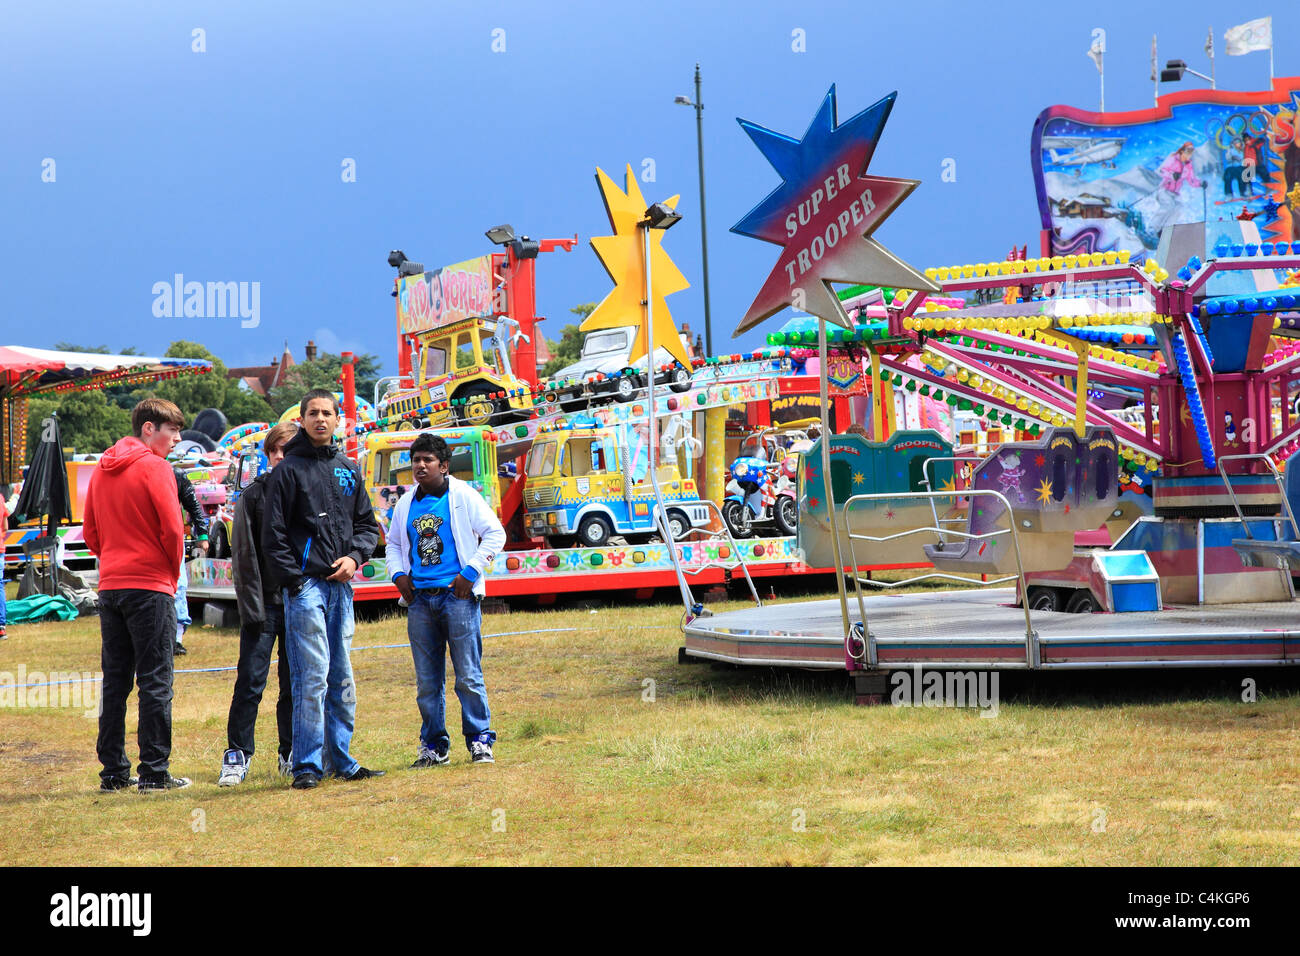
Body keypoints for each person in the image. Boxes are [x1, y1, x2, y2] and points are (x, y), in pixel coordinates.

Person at [262, 390, 382, 790]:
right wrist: (294, 580)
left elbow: (367, 525)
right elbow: (273, 534)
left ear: (337, 420)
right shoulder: (287, 471)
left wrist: (355, 558)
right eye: (312, 413)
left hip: (341, 589)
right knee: (311, 679)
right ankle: (308, 767)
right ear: (301, 418)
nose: (320, 419)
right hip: (307, 588)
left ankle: (342, 761)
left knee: (342, 677)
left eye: (327, 413)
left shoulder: (348, 468)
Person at [83, 398, 191, 792]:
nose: (178, 439)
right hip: (150, 586)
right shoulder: (157, 467)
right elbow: (173, 530)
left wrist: (115, 558)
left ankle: (113, 772)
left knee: (115, 682)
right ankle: (154, 773)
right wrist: (169, 572)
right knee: (156, 680)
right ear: (149, 428)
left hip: (111, 585)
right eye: (172, 431)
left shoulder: (101, 469)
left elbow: (90, 532)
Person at [386, 433, 506, 766]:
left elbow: (496, 533)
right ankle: (434, 746)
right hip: (421, 601)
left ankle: (479, 739)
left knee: (467, 674)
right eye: (415, 461)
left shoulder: (463, 496)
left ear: (444, 465)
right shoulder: (406, 503)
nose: (420, 466)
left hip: (458, 599)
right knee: (427, 681)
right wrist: (398, 576)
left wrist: (471, 572)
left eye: (428, 460)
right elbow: (393, 545)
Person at [218, 423, 298, 786]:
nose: (281, 457)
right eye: (275, 451)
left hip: (301, 603)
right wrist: (251, 607)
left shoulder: (308, 492)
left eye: (288, 450)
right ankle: (237, 756)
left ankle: (292, 752)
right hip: (263, 605)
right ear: (267, 456)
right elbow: (244, 557)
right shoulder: (253, 496)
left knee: (295, 684)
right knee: (250, 681)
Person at [171, 466, 210, 656]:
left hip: (172, 543)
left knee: (179, 587)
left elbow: (192, 504)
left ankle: (177, 639)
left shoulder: (175, 473)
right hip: (144, 543)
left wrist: (202, 533)